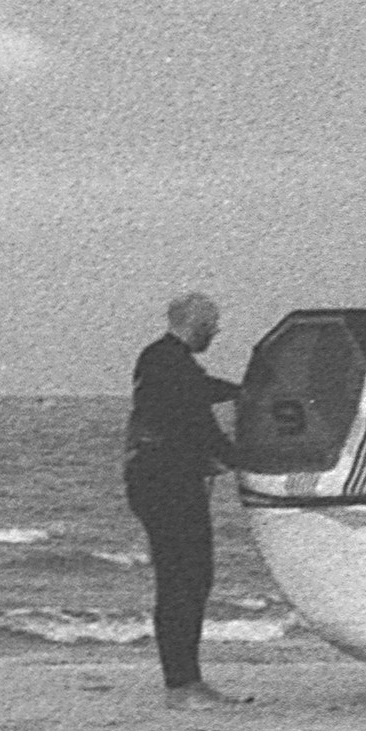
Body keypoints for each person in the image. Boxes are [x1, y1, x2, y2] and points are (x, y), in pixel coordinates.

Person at [122, 294, 248, 704]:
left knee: (186, 578)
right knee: (185, 579)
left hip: (162, 479)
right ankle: (182, 684)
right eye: (213, 324)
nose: (216, 331)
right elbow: (199, 422)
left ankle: (184, 681)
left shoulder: (166, 360)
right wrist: (244, 460)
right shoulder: (168, 361)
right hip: (166, 483)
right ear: (195, 323)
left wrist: (240, 393)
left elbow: (196, 396)